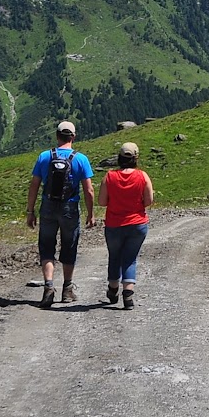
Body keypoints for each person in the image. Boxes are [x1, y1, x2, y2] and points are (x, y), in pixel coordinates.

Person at [26, 120, 96, 308]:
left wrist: (30, 211)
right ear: (73, 137)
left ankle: (49, 286)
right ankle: (67, 289)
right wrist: (91, 213)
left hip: (48, 207)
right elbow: (89, 190)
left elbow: (34, 186)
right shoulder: (81, 159)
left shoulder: (44, 157)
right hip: (70, 208)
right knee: (69, 246)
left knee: (47, 246)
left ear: (57, 136)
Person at [97, 141, 154, 309]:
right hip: (137, 224)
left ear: (119, 158)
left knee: (114, 256)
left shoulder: (109, 176)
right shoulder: (143, 176)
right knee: (130, 258)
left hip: (114, 224)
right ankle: (128, 295)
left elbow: (102, 202)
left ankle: (113, 289)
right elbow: (148, 201)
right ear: (136, 158)